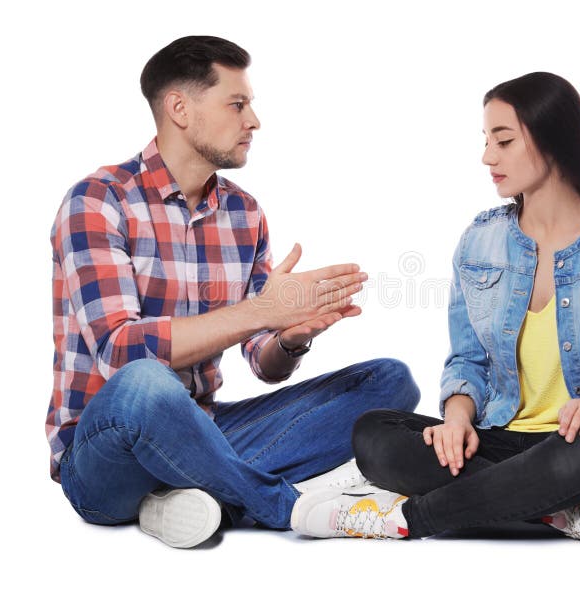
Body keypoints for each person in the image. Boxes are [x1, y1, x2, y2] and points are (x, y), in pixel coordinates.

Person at [45, 35, 420, 549]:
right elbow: (119, 350)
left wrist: (287, 339)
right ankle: (286, 507)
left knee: (388, 384)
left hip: (206, 430)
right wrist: (259, 310)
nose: (254, 121)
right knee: (148, 384)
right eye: (237, 104)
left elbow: (263, 365)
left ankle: (192, 498)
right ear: (180, 108)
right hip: (105, 452)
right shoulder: (98, 200)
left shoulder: (244, 213)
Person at [291, 72, 580, 552]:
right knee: (374, 433)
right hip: (493, 437)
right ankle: (566, 514)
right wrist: (455, 420)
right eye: (486, 139)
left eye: (504, 140)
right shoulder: (481, 239)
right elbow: (467, 362)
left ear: (554, 138)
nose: (487, 156)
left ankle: (401, 519)